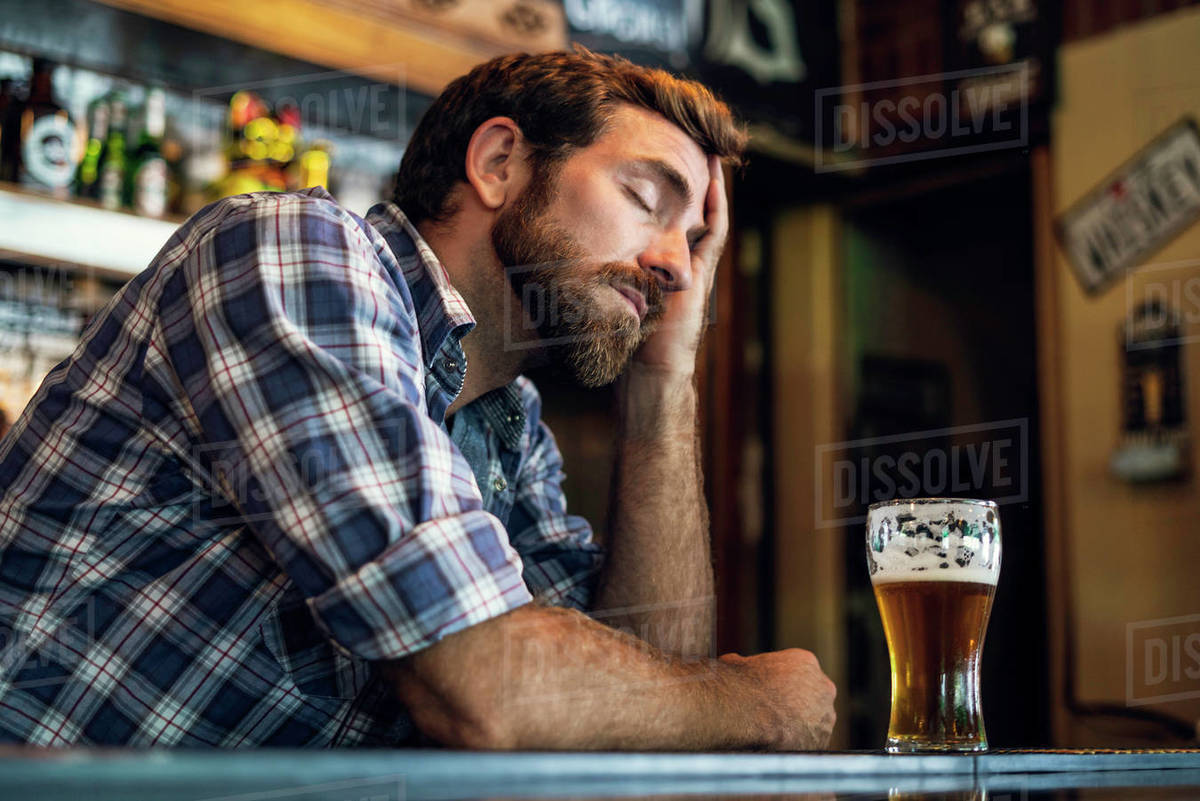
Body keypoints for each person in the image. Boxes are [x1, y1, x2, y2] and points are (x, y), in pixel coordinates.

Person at [0, 49, 835, 748]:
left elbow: (635, 730)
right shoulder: (299, 250)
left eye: (694, 242)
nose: (678, 267)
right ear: (499, 163)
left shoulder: (511, 431)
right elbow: (484, 686)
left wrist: (664, 380)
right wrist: (755, 702)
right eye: (646, 201)